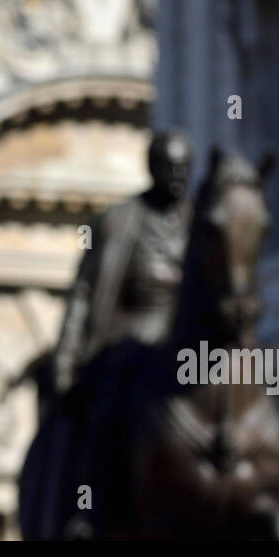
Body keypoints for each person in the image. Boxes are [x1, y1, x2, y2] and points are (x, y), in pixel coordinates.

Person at [51, 129, 193, 397]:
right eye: (171, 167)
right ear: (153, 167)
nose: (179, 176)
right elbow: (83, 294)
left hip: (188, 338)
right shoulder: (115, 221)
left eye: (185, 168)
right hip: (132, 339)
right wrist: (65, 361)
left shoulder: (201, 224)